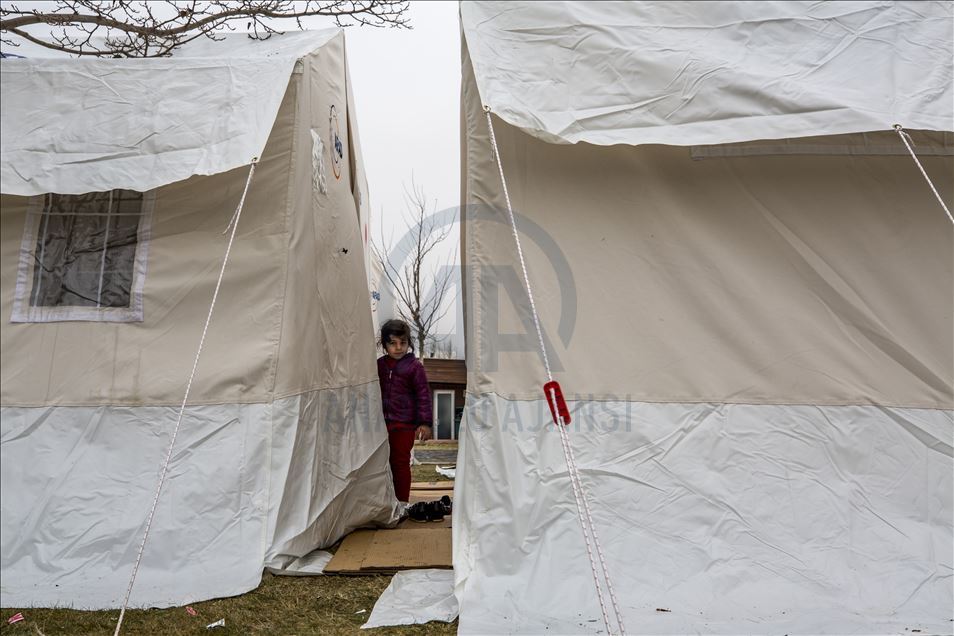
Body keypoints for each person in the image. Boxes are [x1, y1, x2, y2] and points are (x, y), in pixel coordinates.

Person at [377, 319, 433, 504]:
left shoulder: (414, 367)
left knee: (400, 463)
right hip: (381, 425)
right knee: (381, 464)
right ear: (384, 345)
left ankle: (402, 503)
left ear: (409, 343)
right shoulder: (379, 365)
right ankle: (385, 503)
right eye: (393, 343)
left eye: (403, 342)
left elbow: (423, 395)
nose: (398, 347)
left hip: (404, 426)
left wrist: (424, 423)